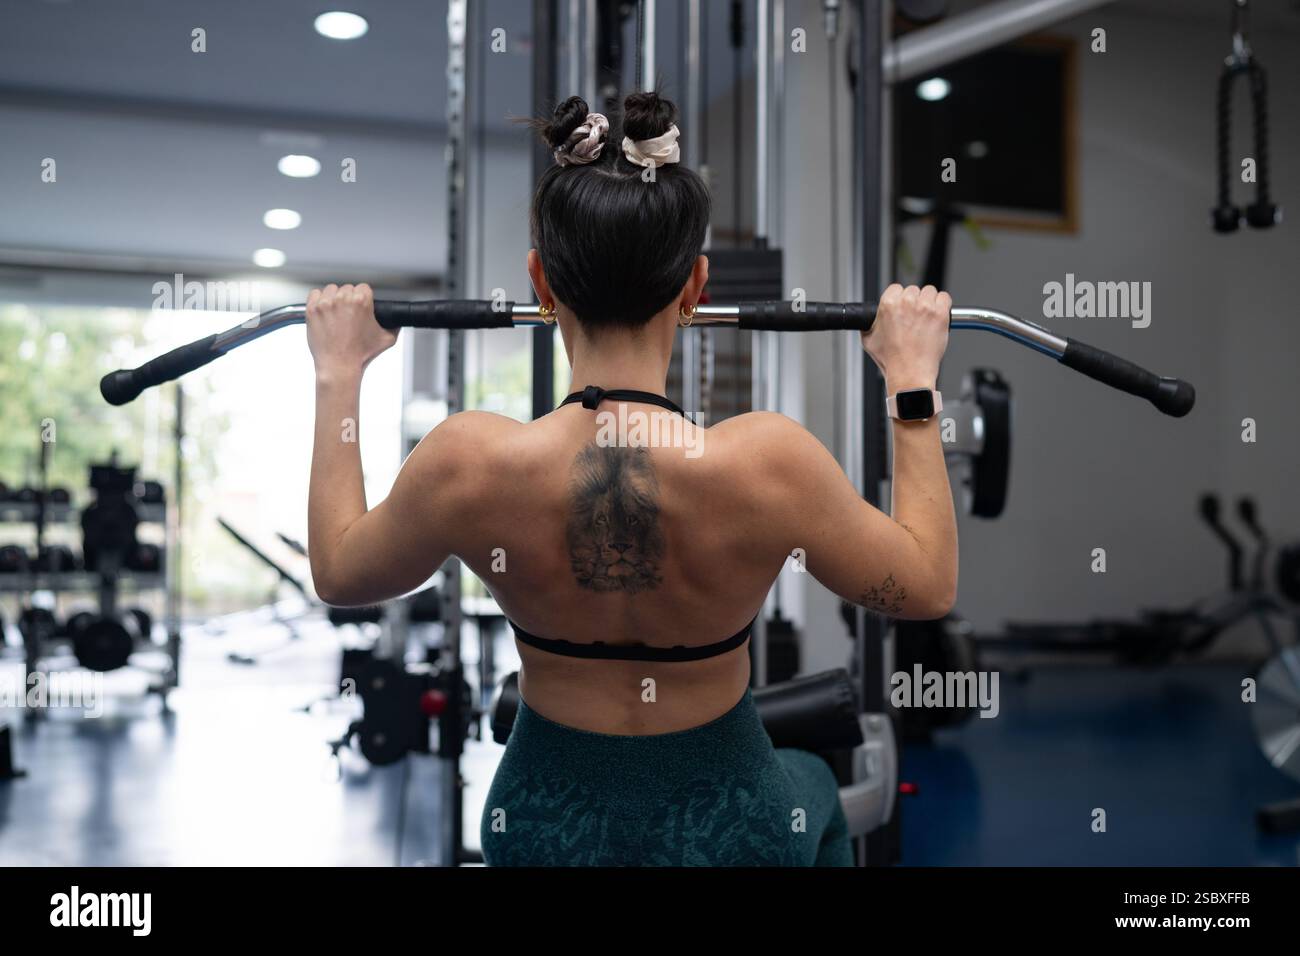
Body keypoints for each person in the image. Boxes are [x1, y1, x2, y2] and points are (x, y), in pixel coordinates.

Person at [303, 91, 957, 866]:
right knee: (812, 785)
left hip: (545, 822)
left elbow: (340, 573)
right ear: (696, 287)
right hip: (729, 821)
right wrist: (910, 383)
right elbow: (927, 586)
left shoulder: (468, 461)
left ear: (541, 284)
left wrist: (337, 373)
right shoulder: (768, 461)